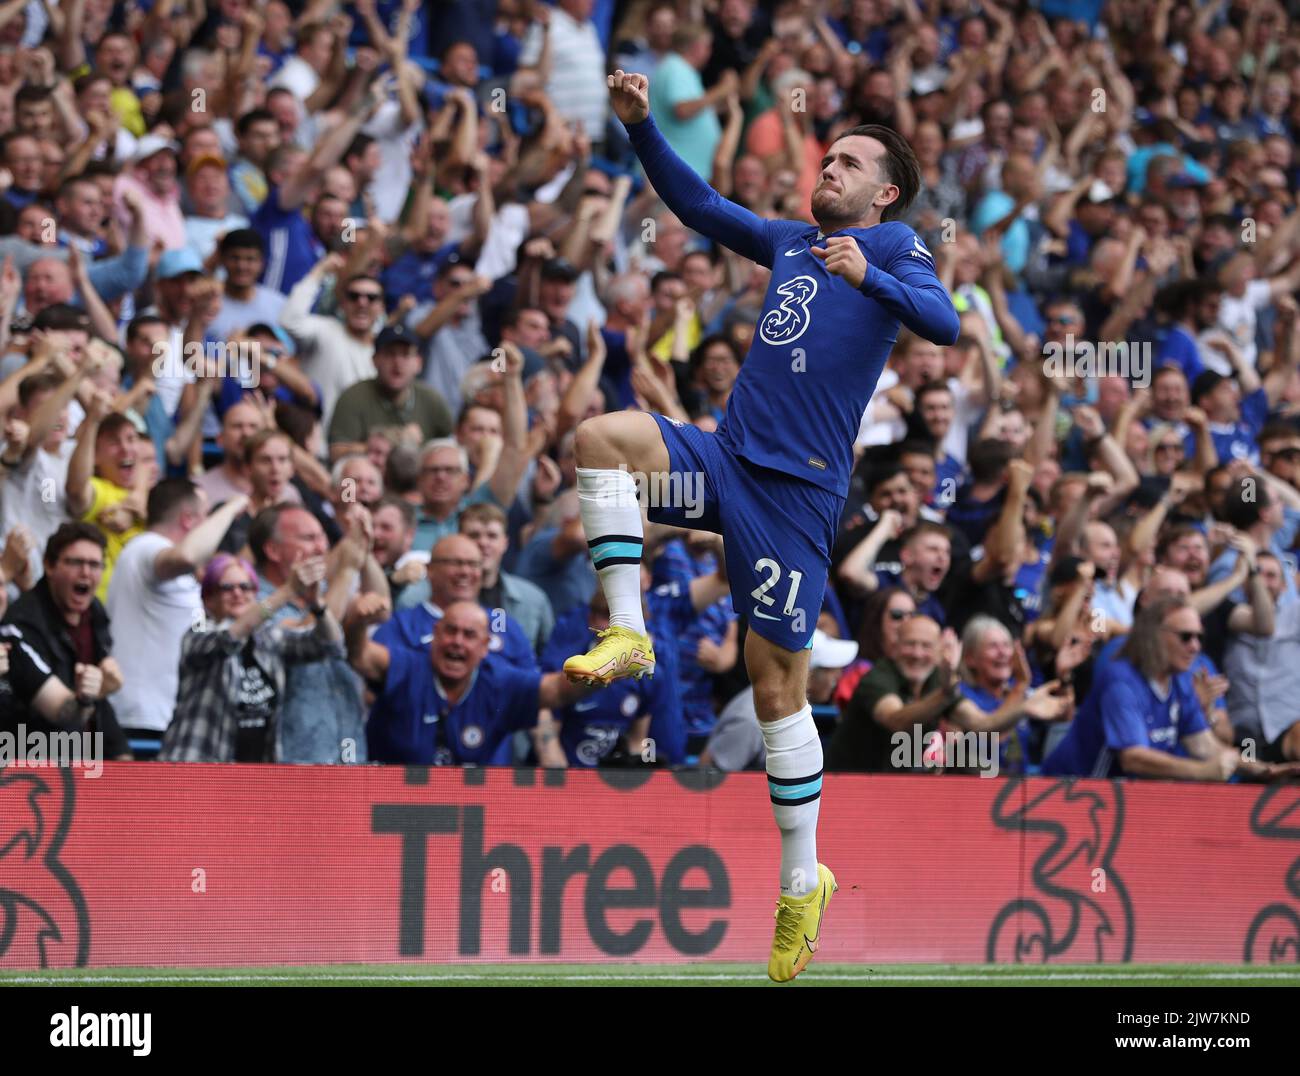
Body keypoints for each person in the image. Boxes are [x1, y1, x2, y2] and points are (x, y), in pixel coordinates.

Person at [564, 68, 959, 982]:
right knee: (601, 436)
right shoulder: (787, 240)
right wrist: (640, 128)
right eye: (826, 158)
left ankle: (798, 884)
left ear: (885, 191)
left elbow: (940, 325)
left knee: (775, 686)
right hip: (727, 459)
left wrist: (875, 277)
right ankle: (626, 629)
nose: (829, 169)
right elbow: (698, 203)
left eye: (848, 163)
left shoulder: (896, 244)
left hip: (797, 497)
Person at [1042, 596, 1296, 781]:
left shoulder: (1180, 681)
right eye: (1186, 637)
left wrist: (1261, 769)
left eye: (1199, 637)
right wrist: (1199, 771)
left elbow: (1204, 745)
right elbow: (1133, 757)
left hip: (1115, 797)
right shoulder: (1121, 681)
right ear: (1154, 635)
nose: (1195, 647)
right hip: (1071, 790)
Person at [347, 596, 594, 765]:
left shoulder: (499, 681)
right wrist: (358, 623)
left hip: (470, 817)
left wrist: (605, 667)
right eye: (450, 631)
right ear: (435, 634)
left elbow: (557, 690)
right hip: (390, 806)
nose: (457, 641)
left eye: (469, 635)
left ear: (485, 646)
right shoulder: (409, 667)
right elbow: (361, 656)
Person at [106, 481, 250, 752]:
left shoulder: (172, 567)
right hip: (142, 720)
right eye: (205, 516)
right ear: (188, 519)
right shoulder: (146, 547)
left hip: (170, 722)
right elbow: (186, 555)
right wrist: (231, 508)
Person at [160, 553, 344, 761]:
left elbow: (330, 645)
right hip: (197, 767)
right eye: (227, 588)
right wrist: (287, 592)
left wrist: (317, 605)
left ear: (255, 593)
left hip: (253, 774)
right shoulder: (198, 632)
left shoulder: (269, 637)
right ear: (208, 599)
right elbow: (229, 639)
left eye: (245, 587)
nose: (238, 593)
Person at [0, 523, 130, 759]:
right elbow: (62, 712)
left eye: (95, 564)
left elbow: (102, 710)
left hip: (91, 763)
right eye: (76, 562)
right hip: (37, 769)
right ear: (49, 566)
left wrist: (124, 758)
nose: (86, 573)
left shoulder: (95, 613)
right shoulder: (21, 624)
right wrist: (90, 695)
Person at [701, 629, 859, 772]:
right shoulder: (750, 721)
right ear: (807, 673)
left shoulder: (793, 709)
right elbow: (707, 779)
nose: (839, 676)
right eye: (830, 669)